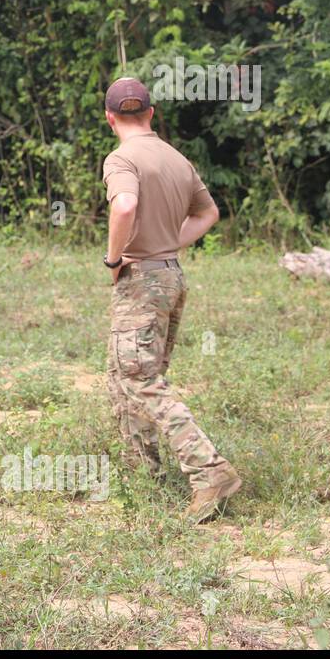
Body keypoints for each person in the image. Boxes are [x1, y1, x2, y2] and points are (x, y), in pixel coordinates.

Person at [101, 77, 241, 523]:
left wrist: (113, 257)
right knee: (125, 375)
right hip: (170, 276)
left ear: (109, 118)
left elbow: (124, 206)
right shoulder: (177, 159)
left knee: (140, 378)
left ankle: (209, 469)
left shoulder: (121, 158)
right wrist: (170, 243)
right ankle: (143, 474)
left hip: (140, 279)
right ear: (151, 113)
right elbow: (209, 212)